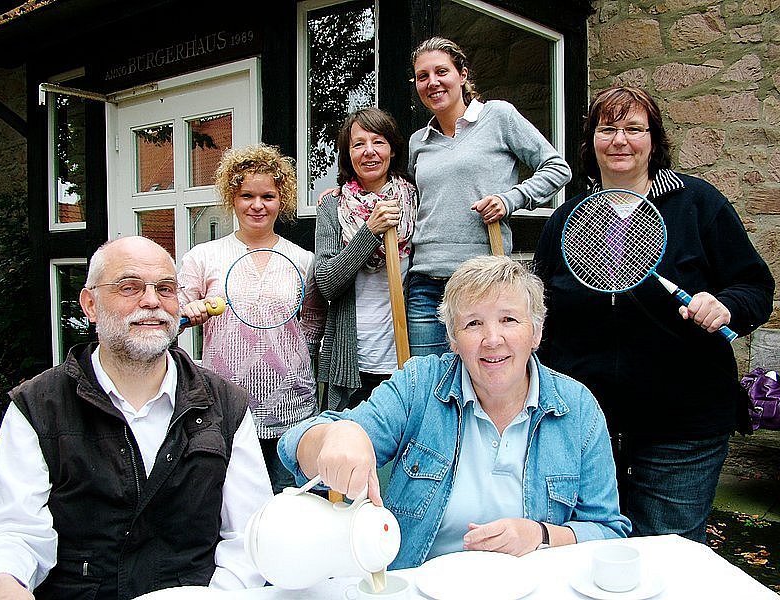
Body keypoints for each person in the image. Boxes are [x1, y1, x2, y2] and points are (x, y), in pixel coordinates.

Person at [533, 86, 775, 542]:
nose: (620, 140)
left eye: (634, 129)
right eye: (607, 129)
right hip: (585, 427)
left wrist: (726, 306)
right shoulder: (566, 219)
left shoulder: (698, 203)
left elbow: (755, 287)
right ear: (591, 142)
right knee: (590, 548)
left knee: (668, 553)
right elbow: (539, 311)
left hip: (682, 424)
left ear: (654, 139)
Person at [279, 256, 630, 569]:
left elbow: (608, 530)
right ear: (452, 338)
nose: (492, 339)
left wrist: (541, 534)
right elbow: (295, 444)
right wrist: (338, 436)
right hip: (422, 585)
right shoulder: (420, 384)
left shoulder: (577, 407)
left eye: (509, 319)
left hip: (536, 588)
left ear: (536, 332)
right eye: (473, 324)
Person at [0, 236, 273, 600]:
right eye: (129, 287)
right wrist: (5, 584)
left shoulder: (225, 405)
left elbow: (248, 536)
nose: (151, 301)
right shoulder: (38, 406)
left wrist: (217, 595)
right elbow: (14, 530)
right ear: (90, 304)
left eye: (165, 288)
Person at [406, 36, 571, 357]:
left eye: (442, 72)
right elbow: (411, 195)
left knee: (486, 374)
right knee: (427, 378)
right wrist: (344, 188)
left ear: (462, 75)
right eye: (423, 76)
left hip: (483, 278)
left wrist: (510, 200)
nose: (432, 82)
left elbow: (556, 168)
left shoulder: (498, 117)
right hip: (425, 283)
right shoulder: (418, 141)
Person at [178, 144, 326, 495]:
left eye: (267, 196)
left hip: (291, 408)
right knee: (231, 506)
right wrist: (188, 314)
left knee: (289, 507)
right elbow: (173, 317)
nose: (257, 205)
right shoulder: (204, 257)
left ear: (282, 199)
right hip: (224, 408)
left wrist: (289, 359)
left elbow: (313, 320)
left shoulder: (302, 260)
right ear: (232, 197)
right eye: (247, 195)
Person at [314, 108, 418, 411]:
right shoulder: (333, 206)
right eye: (358, 144)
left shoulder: (415, 199)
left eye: (378, 142)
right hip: (352, 362)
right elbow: (326, 282)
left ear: (392, 149)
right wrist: (369, 231)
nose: (369, 151)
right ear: (348, 155)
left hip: (407, 354)